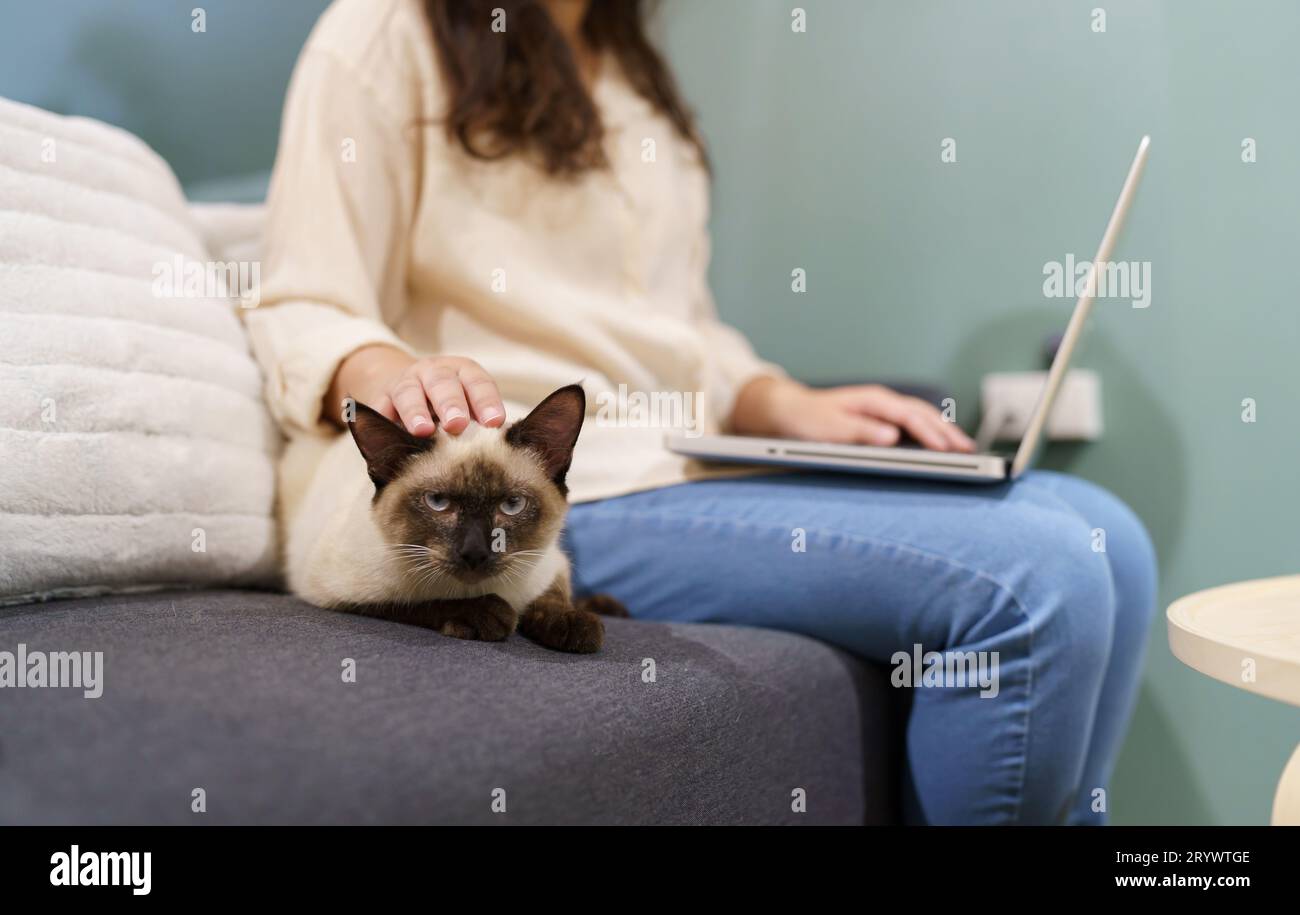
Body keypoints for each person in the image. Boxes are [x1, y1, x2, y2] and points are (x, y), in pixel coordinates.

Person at [245, 0, 1156, 824]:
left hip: (687, 454)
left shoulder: (629, 63)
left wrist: (784, 400)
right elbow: (302, 302)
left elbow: (686, 332)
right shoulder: (381, 36)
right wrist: (401, 374)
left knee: (1112, 537)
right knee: (1038, 576)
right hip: (563, 493)